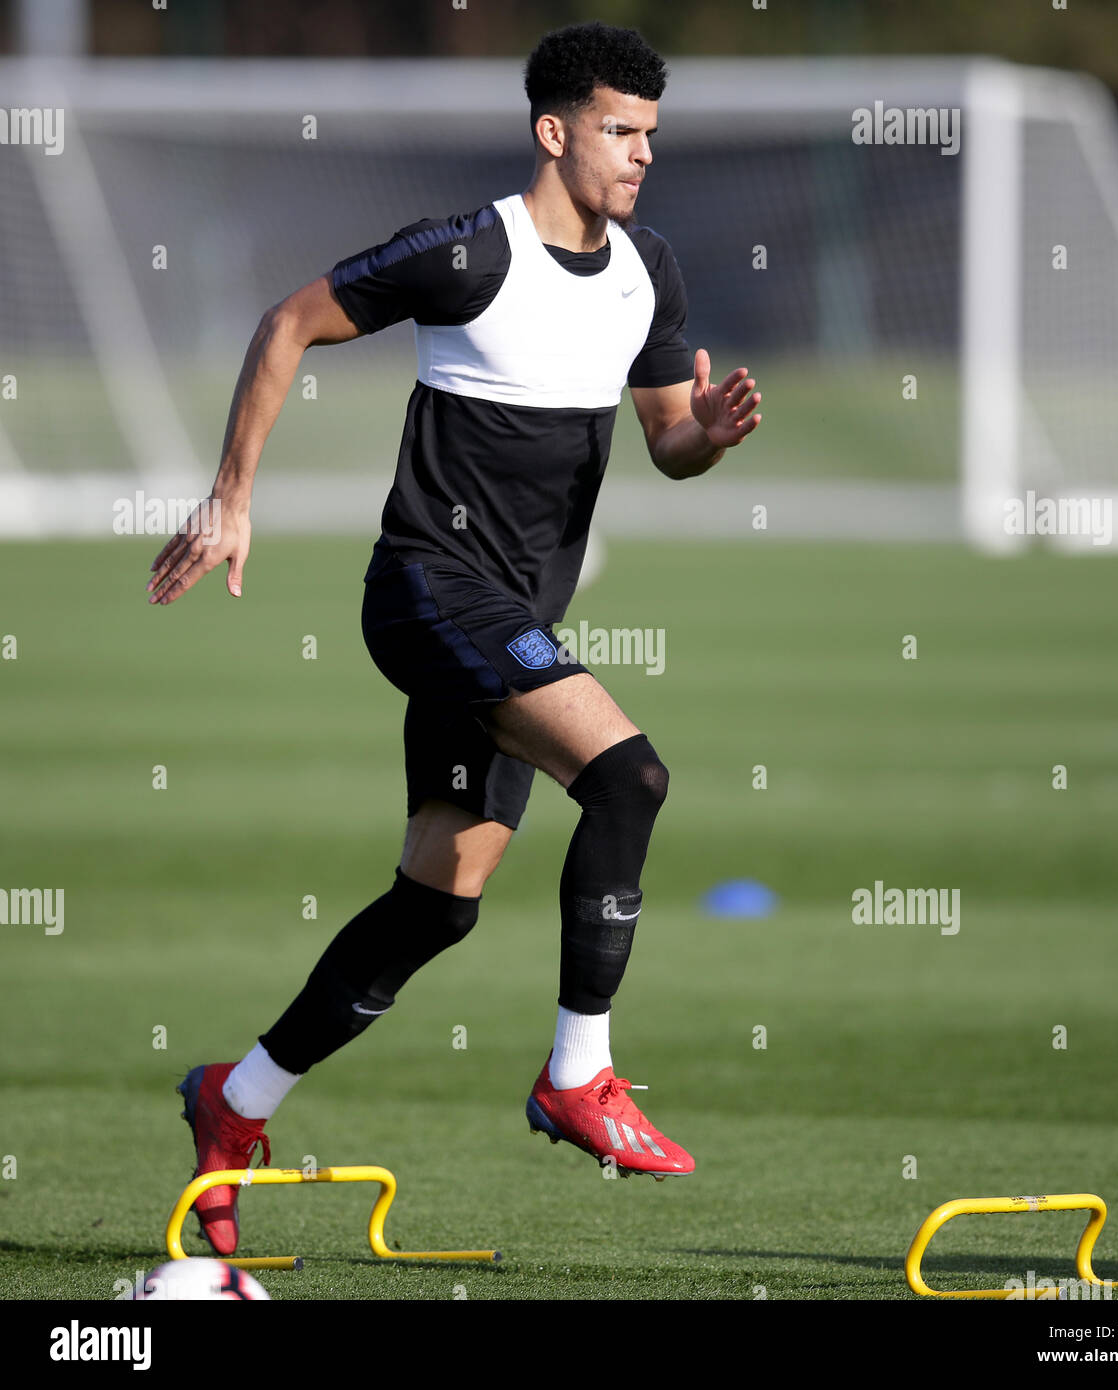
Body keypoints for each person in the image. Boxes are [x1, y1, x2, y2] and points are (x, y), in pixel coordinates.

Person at [147, 20, 762, 1256]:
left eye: (651, 135)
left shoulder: (649, 271)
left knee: (440, 900)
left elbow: (668, 444)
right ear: (554, 130)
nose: (641, 156)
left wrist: (710, 431)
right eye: (618, 132)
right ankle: (575, 1076)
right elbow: (287, 323)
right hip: (430, 593)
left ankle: (236, 1098)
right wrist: (232, 497)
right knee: (629, 776)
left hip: (510, 622)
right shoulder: (468, 252)